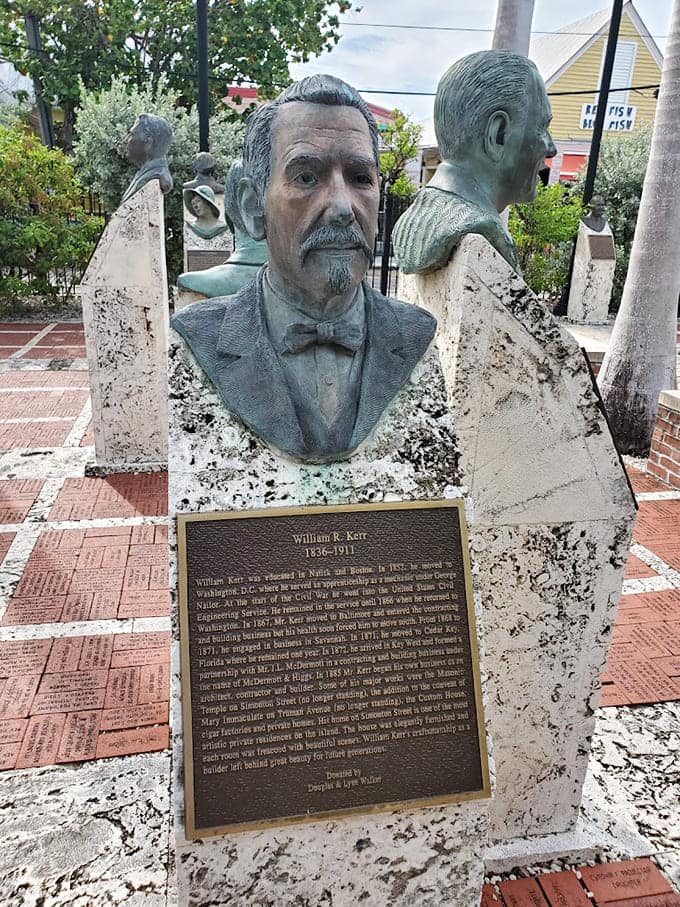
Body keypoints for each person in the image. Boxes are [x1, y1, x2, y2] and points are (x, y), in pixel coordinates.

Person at [172, 74, 436, 462]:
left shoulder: (417, 335)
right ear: (252, 207)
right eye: (307, 177)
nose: (343, 208)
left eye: (360, 178)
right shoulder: (197, 338)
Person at [392, 50, 557, 274]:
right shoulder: (480, 230)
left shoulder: (419, 216)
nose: (551, 149)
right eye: (542, 127)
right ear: (498, 135)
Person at [177, 160, 268, 298]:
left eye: (199, 201)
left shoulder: (192, 282)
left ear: (228, 215)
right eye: (193, 203)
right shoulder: (301, 281)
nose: (196, 206)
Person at [121, 114, 173, 205]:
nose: (127, 140)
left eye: (132, 135)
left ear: (148, 142)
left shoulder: (155, 175)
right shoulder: (145, 173)